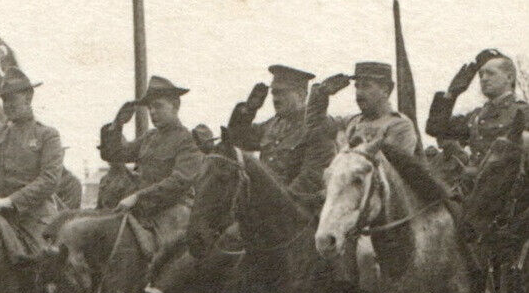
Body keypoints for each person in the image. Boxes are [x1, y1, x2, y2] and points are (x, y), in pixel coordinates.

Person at [0, 66, 63, 251]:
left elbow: (49, 180)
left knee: (44, 264)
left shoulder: (47, 135)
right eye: (4, 99)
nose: (8, 105)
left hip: (33, 217)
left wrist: (11, 201)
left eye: (12, 98)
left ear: (28, 97)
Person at [99, 75, 202, 245]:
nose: (152, 112)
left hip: (174, 212)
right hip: (142, 211)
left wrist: (138, 197)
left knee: (163, 259)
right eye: (150, 108)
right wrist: (117, 124)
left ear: (175, 107)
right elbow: (114, 155)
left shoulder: (188, 140)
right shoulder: (150, 137)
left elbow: (179, 181)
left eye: (158, 106)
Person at [228, 65, 337, 205]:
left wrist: (278, 202)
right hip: (268, 208)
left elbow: (313, 176)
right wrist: (248, 110)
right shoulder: (273, 125)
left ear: (301, 94)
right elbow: (237, 140)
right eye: (274, 93)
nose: (276, 99)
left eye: (282, 93)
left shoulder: (317, 125)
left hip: (300, 210)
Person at [426, 48, 529, 169]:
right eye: (481, 74)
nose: (483, 79)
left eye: (490, 73)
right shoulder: (476, 117)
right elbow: (435, 129)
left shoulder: (524, 112)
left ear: (509, 78)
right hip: (476, 185)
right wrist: (451, 94)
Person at [308, 62, 419, 155]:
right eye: (357, 86)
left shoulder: (399, 126)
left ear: (385, 90)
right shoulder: (350, 122)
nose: (359, 92)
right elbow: (316, 126)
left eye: (366, 86)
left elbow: (387, 170)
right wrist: (321, 94)